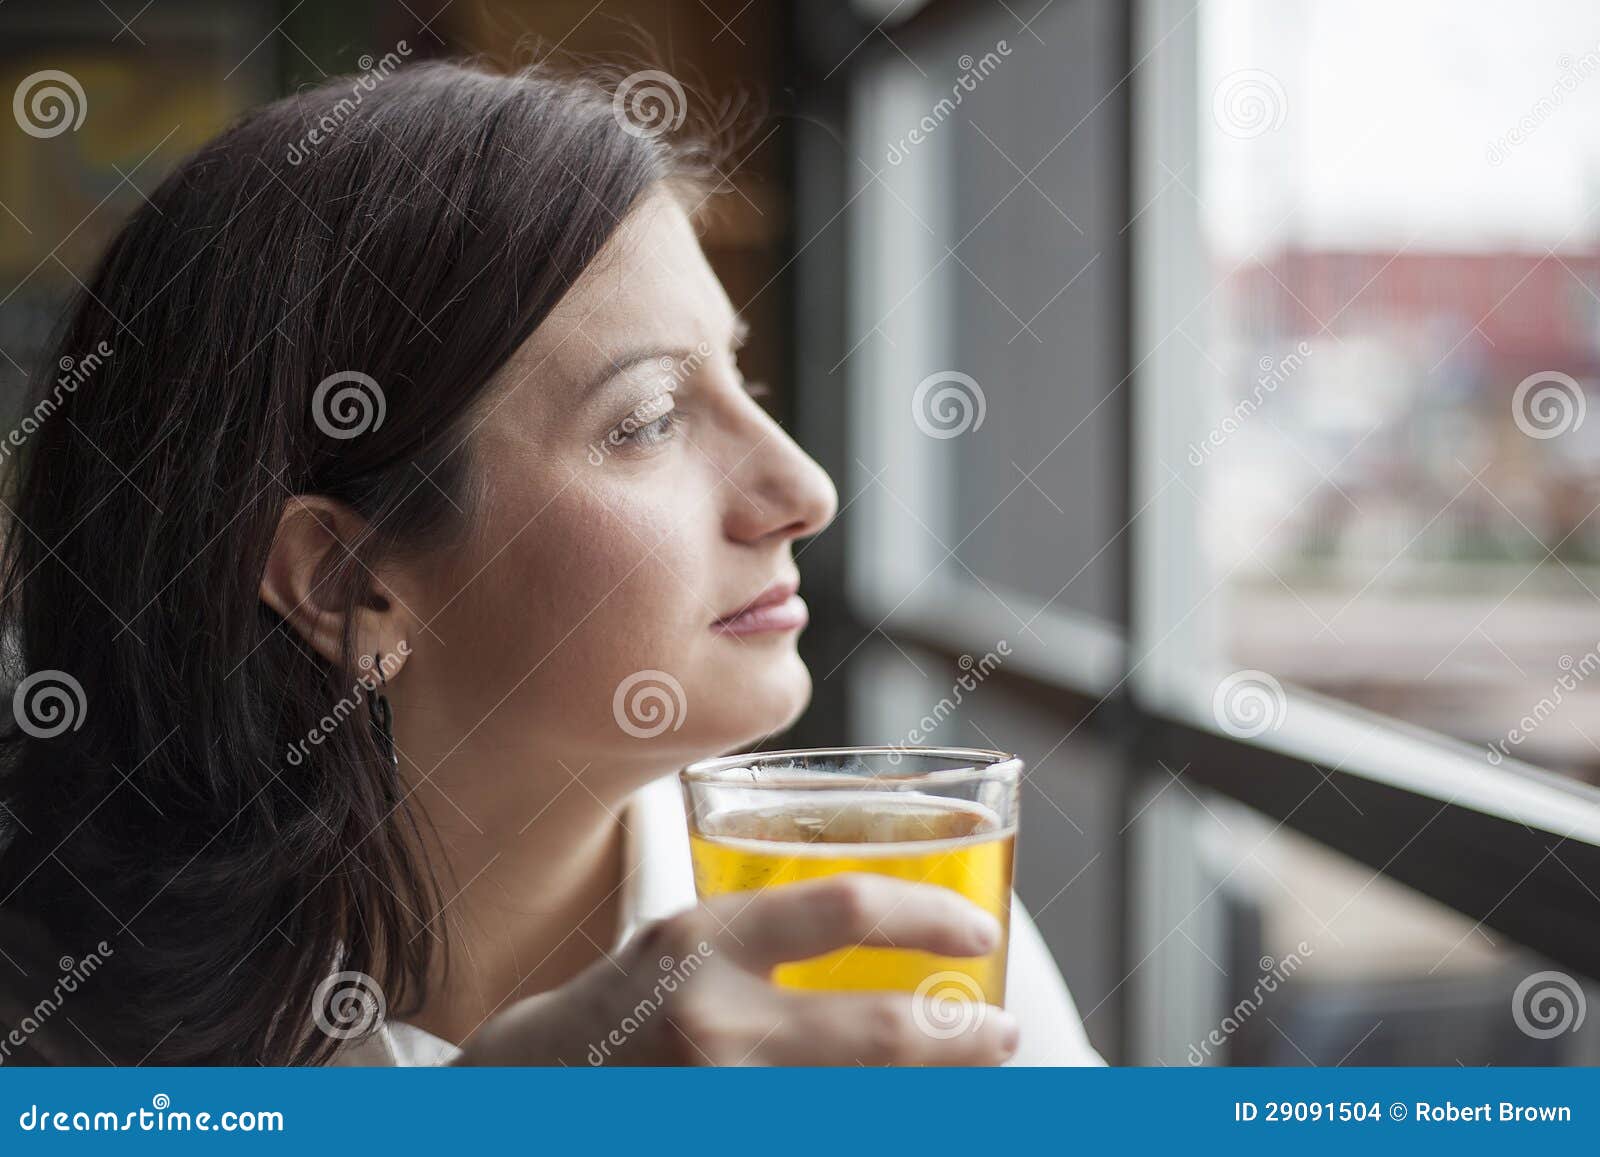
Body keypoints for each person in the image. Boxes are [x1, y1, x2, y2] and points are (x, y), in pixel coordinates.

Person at [0, 59, 1102, 1067]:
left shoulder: (872, 910)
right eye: (650, 419)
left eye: (744, 384)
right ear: (345, 581)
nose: (805, 490)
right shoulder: (58, 1033)